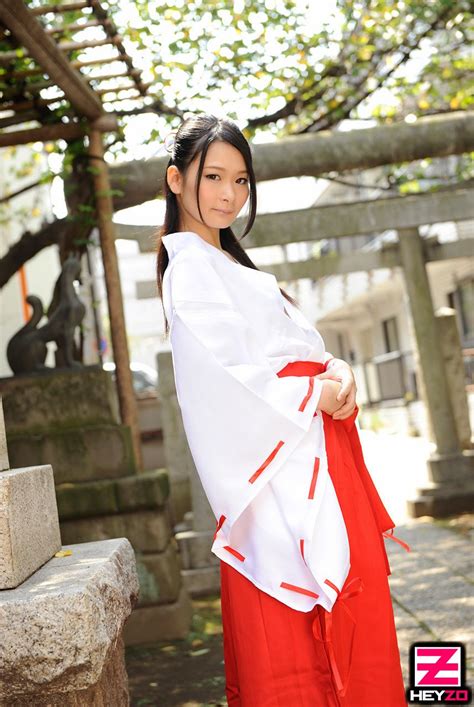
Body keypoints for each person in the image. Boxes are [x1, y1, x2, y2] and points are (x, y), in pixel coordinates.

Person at [156, 114, 410, 706]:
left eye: (241, 180)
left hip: (317, 452)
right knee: (293, 642)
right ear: (175, 179)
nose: (228, 194)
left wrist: (337, 373)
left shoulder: (231, 265)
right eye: (212, 176)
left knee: (358, 614)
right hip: (276, 473)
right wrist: (309, 394)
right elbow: (223, 383)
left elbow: (300, 352)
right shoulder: (190, 267)